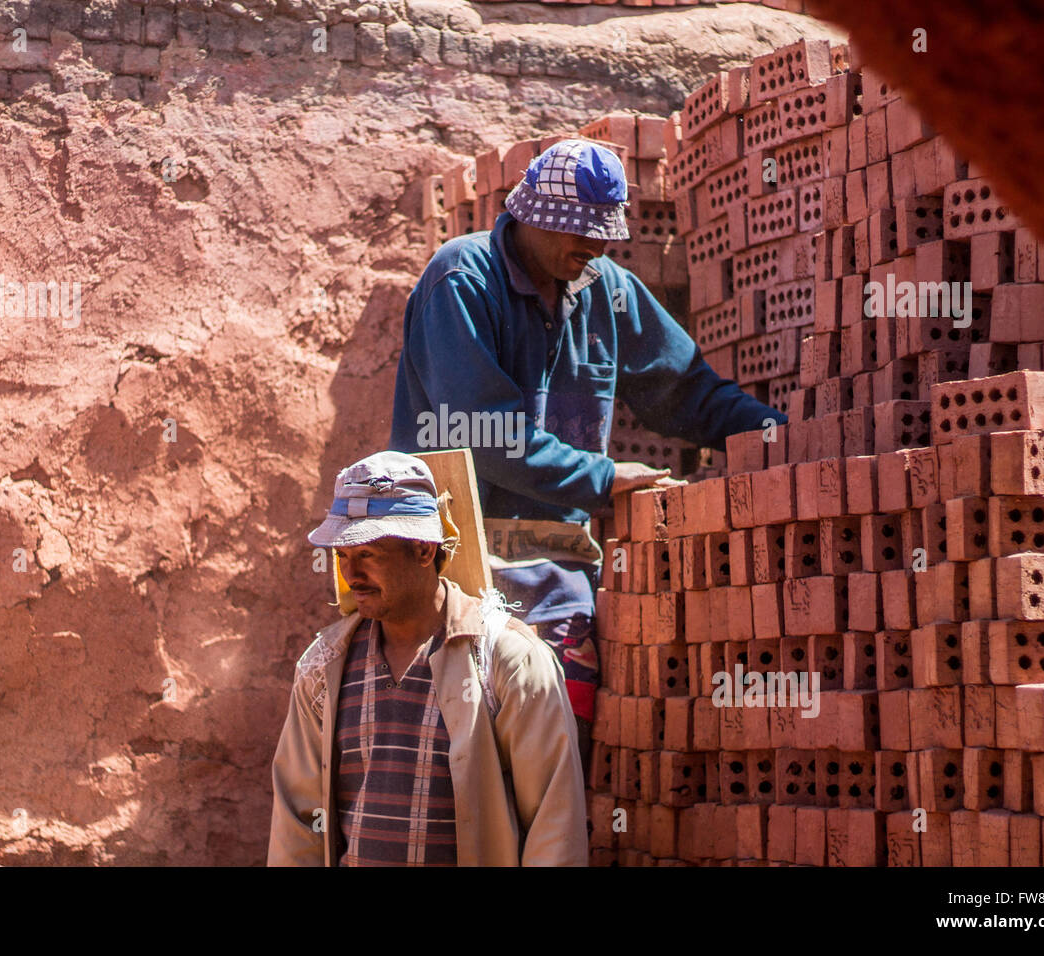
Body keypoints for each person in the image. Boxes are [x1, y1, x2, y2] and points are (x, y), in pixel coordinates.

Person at [389, 139, 789, 767]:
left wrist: (778, 435)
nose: (596, 249)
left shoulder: (607, 289)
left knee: (552, 765)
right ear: (531, 216)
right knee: (452, 774)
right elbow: (480, 433)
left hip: (555, 575)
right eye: (580, 235)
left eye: (604, 236)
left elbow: (684, 393)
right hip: (453, 562)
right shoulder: (462, 280)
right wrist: (603, 479)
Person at [267, 451, 589, 866]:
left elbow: (554, 825)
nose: (351, 574)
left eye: (368, 554)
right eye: (344, 556)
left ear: (422, 550)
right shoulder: (323, 667)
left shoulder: (508, 661)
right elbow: (298, 824)